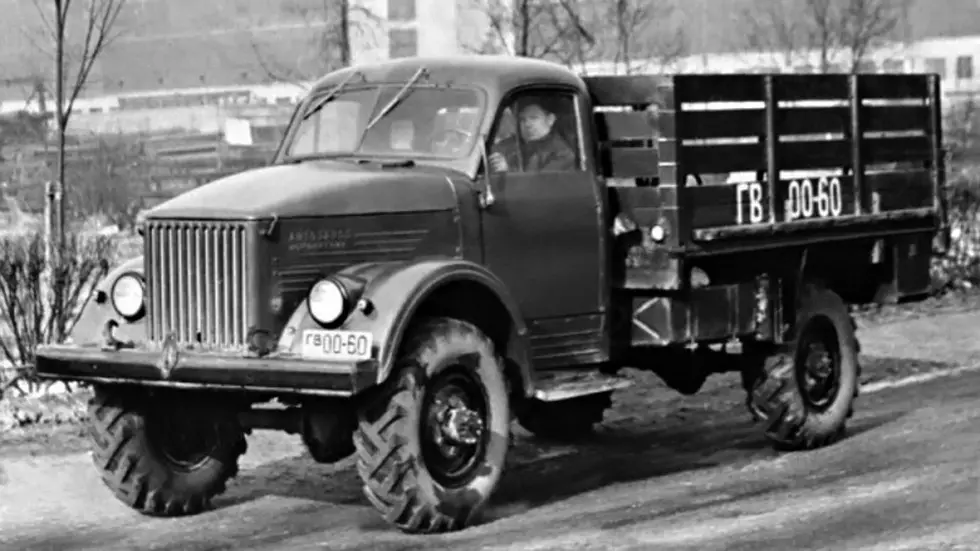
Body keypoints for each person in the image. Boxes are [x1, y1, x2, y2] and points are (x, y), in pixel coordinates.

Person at [489, 100, 576, 173]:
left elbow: (540, 186)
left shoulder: (562, 153)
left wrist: (509, 171)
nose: (527, 124)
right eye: (522, 119)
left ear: (550, 119)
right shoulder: (506, 145)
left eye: (534, 118)